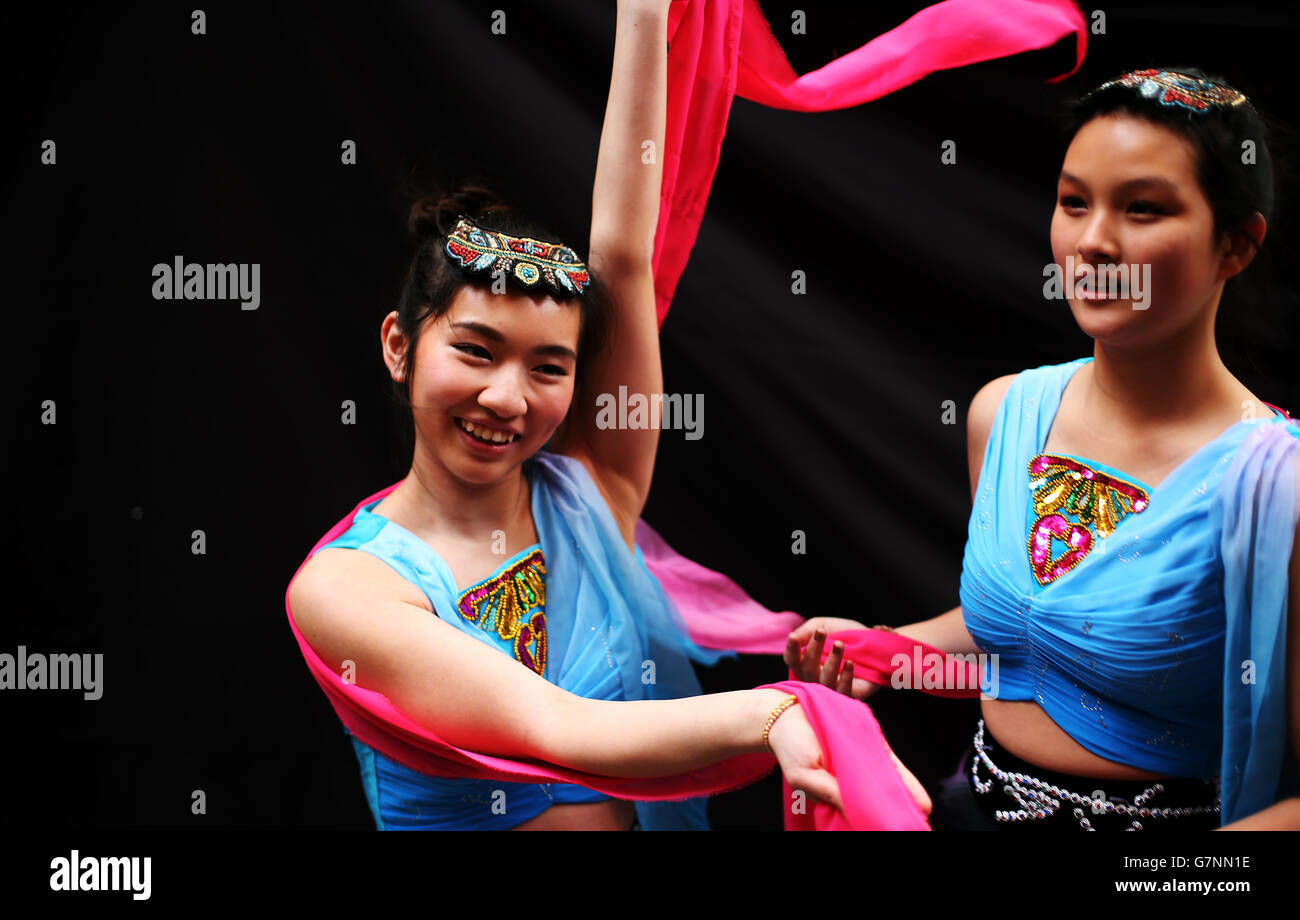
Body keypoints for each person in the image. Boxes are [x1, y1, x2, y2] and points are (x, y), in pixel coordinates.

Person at [286, 0, 929, 831]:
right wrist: (776, 714)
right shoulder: (342, 591)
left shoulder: (594, 491)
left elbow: (623, 256)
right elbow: (562, 727)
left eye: (548, 367)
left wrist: (644, 18)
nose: (508, 398)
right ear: (399, 347)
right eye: (476, 351)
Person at [786, 68, 1300, 830]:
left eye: (1144, 209)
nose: (1093, 241)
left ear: (1237, 245)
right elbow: (1021, 631)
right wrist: (887, 648)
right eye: (1073, 202)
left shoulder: (1275, 483)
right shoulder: (1006, 414)